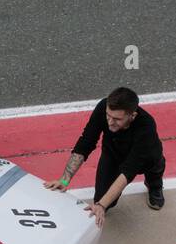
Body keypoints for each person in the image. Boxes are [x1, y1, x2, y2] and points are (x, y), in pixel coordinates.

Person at [48, 87, 166, 227]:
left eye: (117, 119)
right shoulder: (103, 107)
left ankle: (154, 185)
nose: (110, 122)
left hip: (145, 157)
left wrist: (101, 206)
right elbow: (86, 142)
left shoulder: (147, 127)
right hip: (113, 153)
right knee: (103, 199)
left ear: (132, 116)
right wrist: (65, 180)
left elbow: (129, 171)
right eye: (108, 116)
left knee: (154, 165)